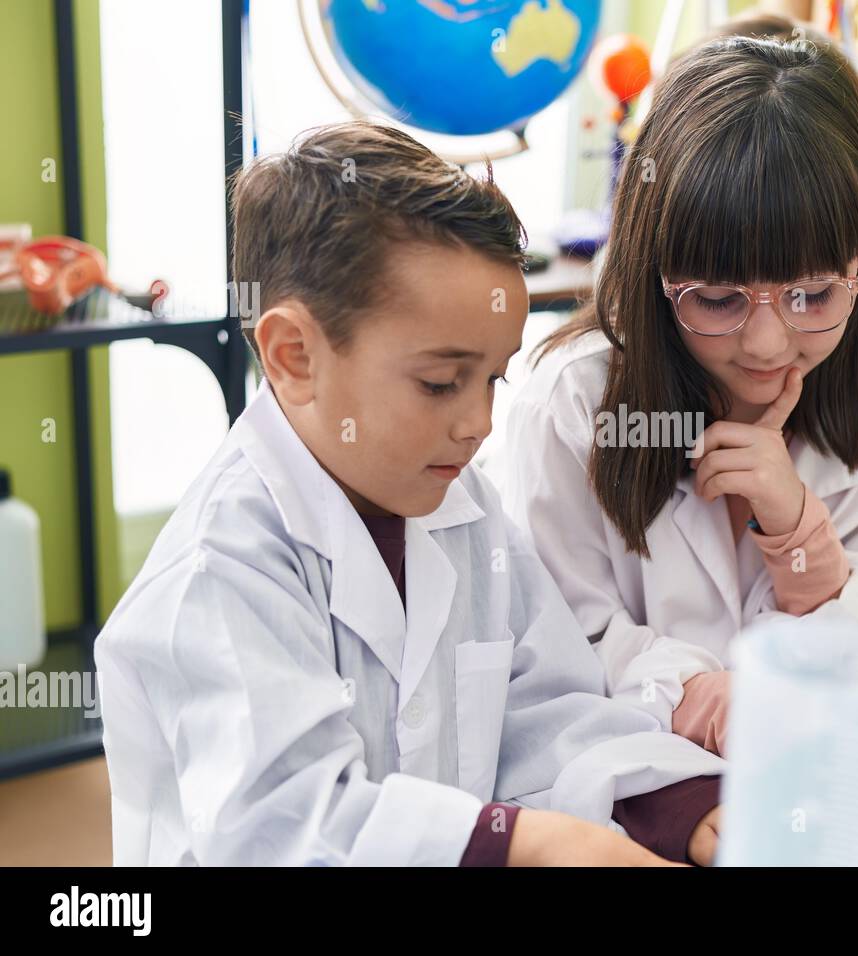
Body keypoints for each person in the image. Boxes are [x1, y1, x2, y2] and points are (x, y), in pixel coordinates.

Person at [94, 122, 726, 866]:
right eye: (439, 382)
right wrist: (529, 840)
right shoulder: (218, 573)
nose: (479, 424)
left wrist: (683, 808)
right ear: (294, 356)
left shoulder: (464, 509)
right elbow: (286, 825)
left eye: (494, 377)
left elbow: (544, 709)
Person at [504, 35, 858, 756]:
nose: (767, 345)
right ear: (652, 262)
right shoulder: (570, 408)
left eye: (811, 294)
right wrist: (690, 696)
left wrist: (802, 539)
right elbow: (544, 646)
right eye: (716, 299)